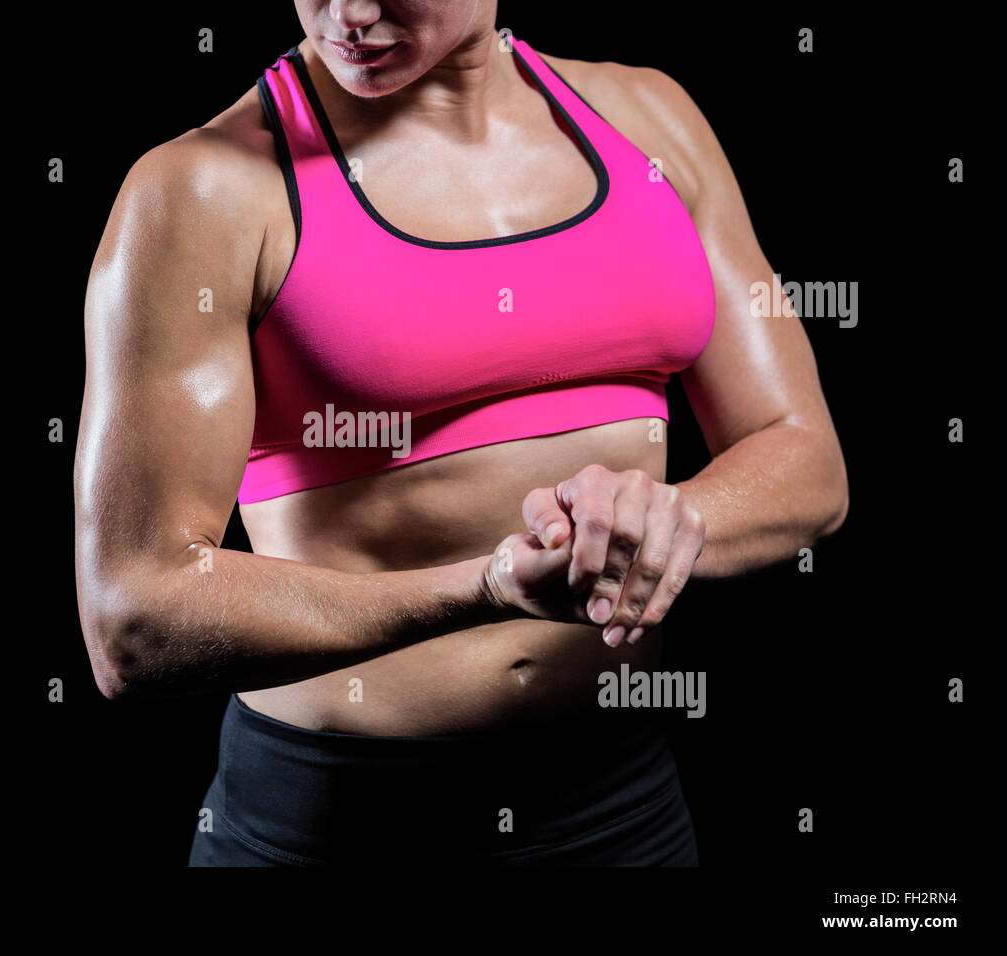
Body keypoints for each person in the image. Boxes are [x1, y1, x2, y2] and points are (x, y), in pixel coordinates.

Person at [73, 1, 848, 866]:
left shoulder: (649, 121)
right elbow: (134, 616)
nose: (351, 12)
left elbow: (806, 461)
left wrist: (660, 523)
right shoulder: (203, 188)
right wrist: (484, 589)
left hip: (621, 808)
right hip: (336, 826)